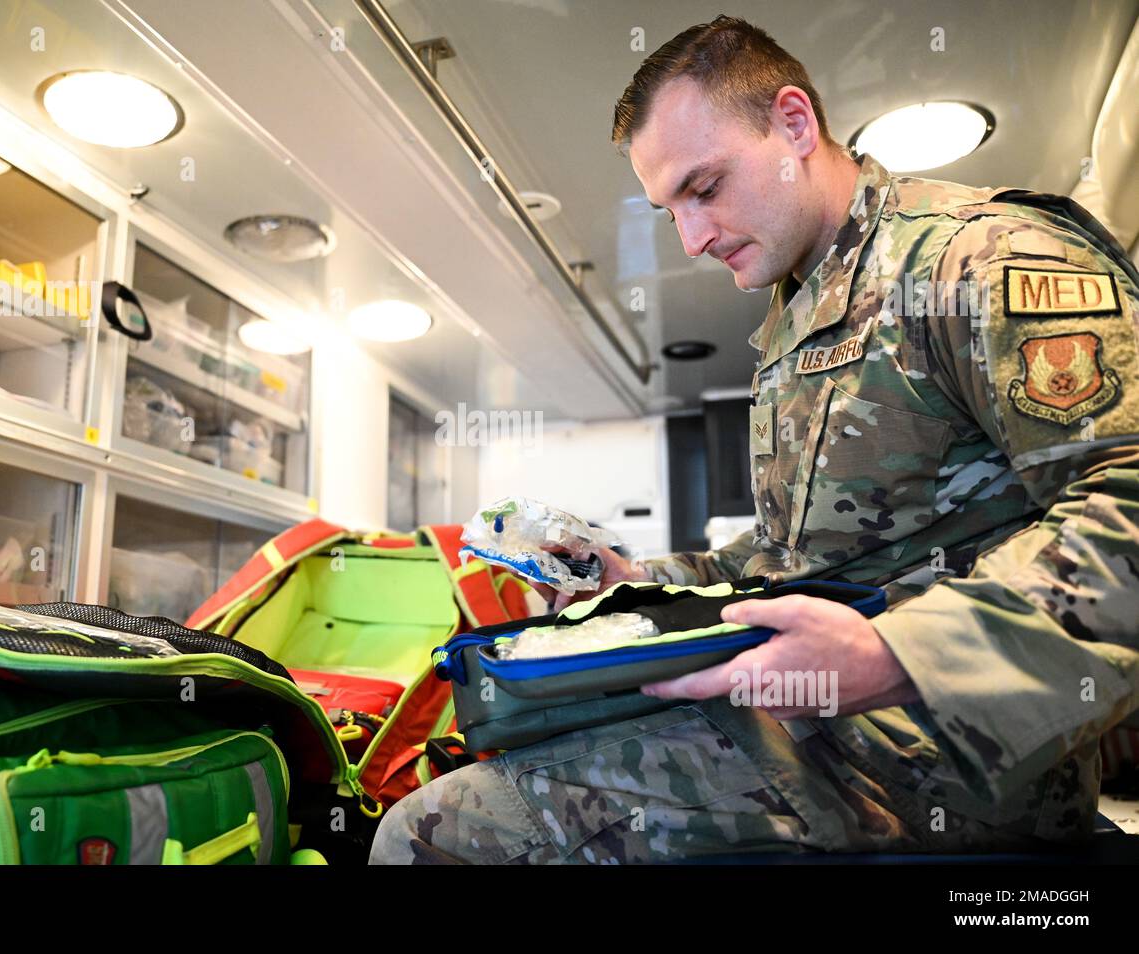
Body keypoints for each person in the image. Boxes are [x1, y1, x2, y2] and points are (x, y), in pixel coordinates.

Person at [368, 15, 1139, 864]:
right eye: (670, 213)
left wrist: (895, 651)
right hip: (828, 722)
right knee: (505, 743)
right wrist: (636, 584)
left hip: (951, 757)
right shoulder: (796, 314)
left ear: (795, 125)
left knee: (431, 835)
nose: (694, 239)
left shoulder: (976, 261)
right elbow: (792, 559)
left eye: (705, 188)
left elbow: (1127, 506)